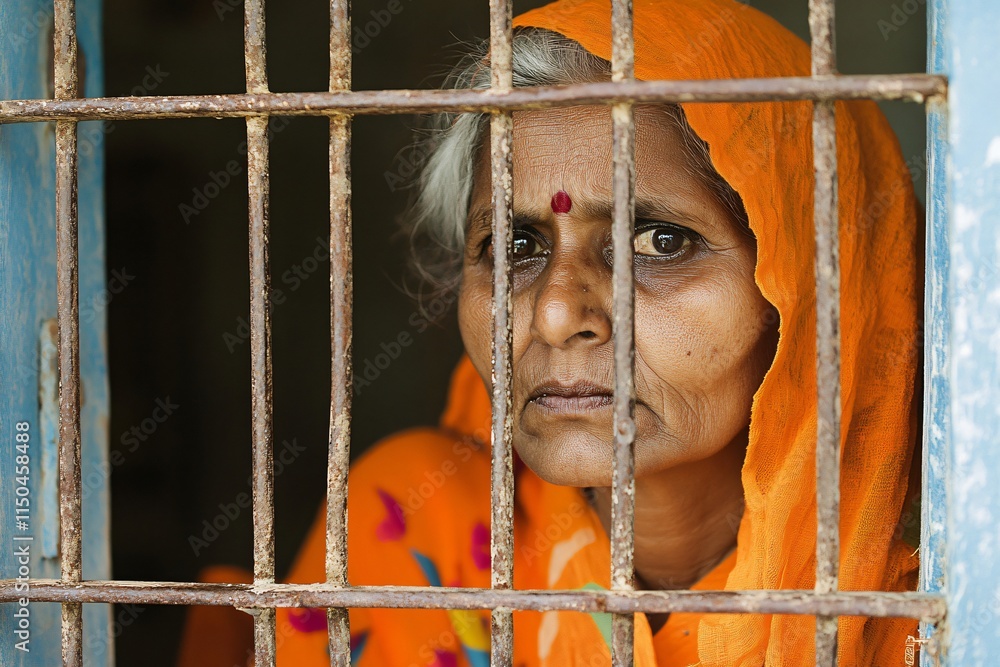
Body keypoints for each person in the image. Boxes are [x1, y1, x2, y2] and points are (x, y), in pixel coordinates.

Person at [177, 0, 921, 664]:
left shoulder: (930, 613)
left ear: (821, 284)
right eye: (514, 248)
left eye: (658, 241)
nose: (557, 313)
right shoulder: (411, 534)